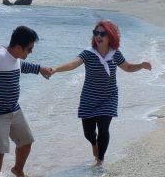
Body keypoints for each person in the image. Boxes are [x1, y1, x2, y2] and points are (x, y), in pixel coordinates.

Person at [51, 19, 151, 166]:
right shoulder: (88, 53)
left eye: (102, 33)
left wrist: (141, 65)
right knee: (88, 133)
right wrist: (55, 69)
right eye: (96, 33)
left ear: (110, 36)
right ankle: (94, 143)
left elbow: (128, 67)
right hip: (89, 98)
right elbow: (73, 64)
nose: (98, 36)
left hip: (109, 97)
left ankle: (100, 161)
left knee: (104, 128)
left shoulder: (115, 54)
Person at [0, 25, 54, 177]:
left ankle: (17, 170)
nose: (31, 52)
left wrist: (39, 69)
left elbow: (23, 66)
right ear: (17, 47)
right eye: (29, 49)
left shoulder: (15, 58)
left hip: (14, 110)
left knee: (26, 142)